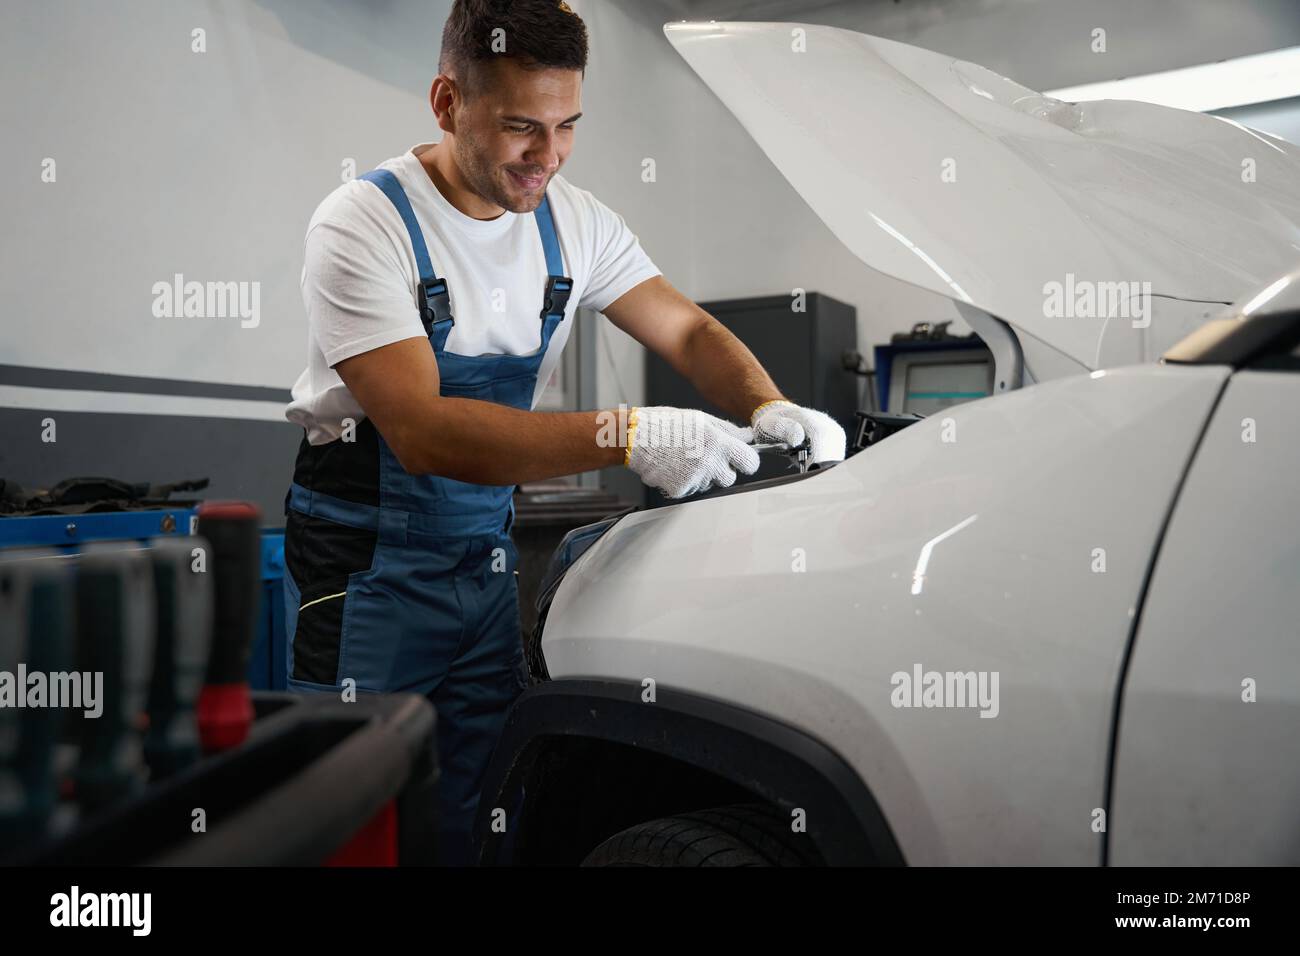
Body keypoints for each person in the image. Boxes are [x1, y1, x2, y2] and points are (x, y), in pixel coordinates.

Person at [282, 0, 845, 864]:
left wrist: (769, 405)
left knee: (482, 804)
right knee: (351, 808)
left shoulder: (575, 223)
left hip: (483, 562)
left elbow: (689, 332)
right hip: (366, 570)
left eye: (567, 126)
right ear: (446, 102)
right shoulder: (363, 223)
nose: (547, 156)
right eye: (520, 128)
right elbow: (424, 432)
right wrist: (625, 431)